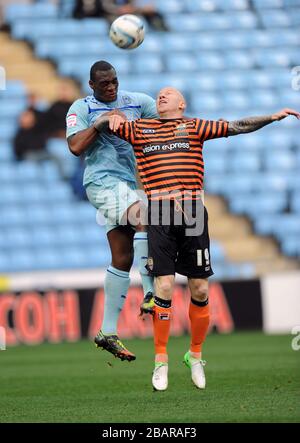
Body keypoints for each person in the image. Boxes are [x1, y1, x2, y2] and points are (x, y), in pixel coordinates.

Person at [95, 86, 300, 390]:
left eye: (169, 93)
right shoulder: (140, 128)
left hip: (192, 211)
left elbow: (237, 126)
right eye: (159, 94)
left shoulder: (194, 126)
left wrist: (271, 117)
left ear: (182, 103)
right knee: (163, 285)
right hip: (160, 214)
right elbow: (102, 123)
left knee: (200, 288)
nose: (161, 96)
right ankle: (161, 361)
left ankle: (195, 355)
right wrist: (109, 117)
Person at [66, 60, 158, 362]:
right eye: (104, 83)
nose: (111, 86)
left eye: (114, 81)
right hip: (102, 182)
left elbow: (161, 131)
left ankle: (107, 331)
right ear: (92, 85)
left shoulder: (138, 102)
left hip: (127, 184)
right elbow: (76, 147)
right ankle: (151, 293)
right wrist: (100, 123)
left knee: (122, 256)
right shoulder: (81, 108)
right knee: (143, 216)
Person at [73, 0, 168, 31]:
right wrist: (120, 10)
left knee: (152, 14)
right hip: (110, 15)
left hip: (125, 13)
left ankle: (162, 30)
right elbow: (106, 6)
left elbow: (132, 4)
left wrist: (135, 8)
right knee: (114, 20)